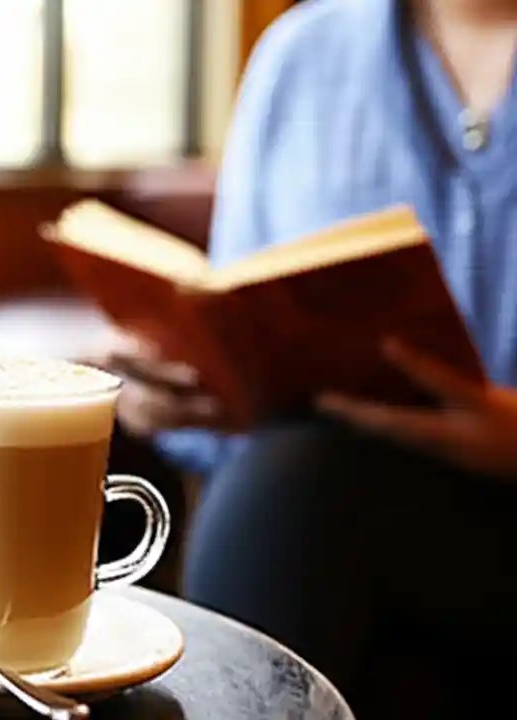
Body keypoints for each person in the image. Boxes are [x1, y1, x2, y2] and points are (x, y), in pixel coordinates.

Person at [89, 0, 517, 716]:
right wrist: (181, 389)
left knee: (294, 488)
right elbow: (240, 315)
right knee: (293, 480)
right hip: (332, 502)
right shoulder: (302, 56)